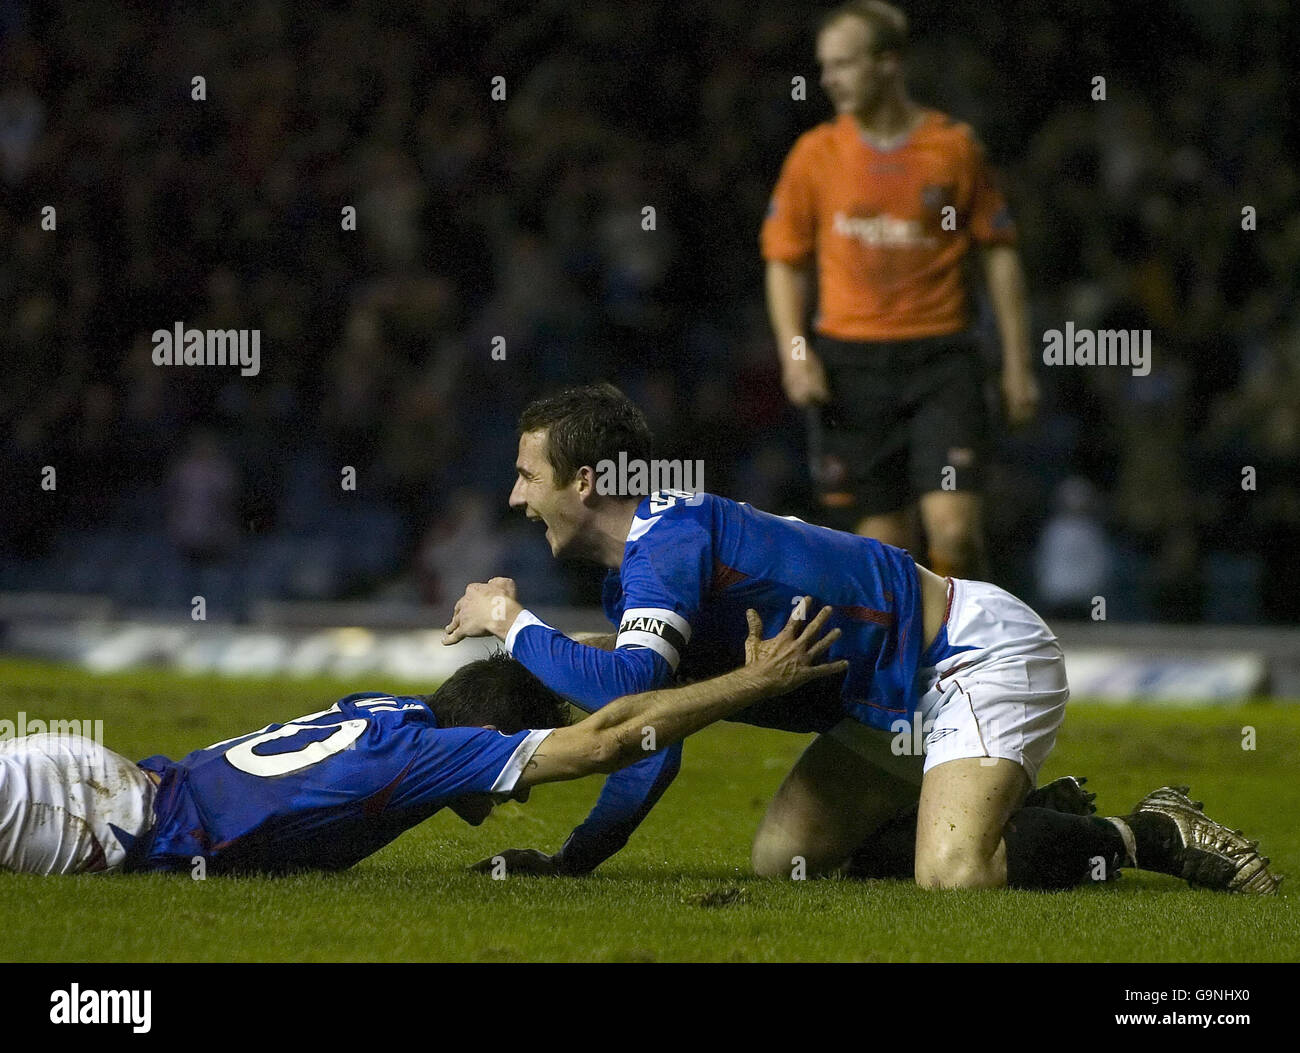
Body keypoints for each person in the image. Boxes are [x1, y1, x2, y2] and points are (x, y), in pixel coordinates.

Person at [443, 383, 1278, 894]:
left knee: (953, 875)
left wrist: (509, 621)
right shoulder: (644, 566)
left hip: (967, 655)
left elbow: (624, 696)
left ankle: (1147, 831)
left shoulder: (667, 545)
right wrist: (573, 862)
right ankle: (1003, 808)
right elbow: (652, 733)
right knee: (787, 859)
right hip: (888, 703)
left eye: (526, 475)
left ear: (586, 481)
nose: (516, 496)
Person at [0, 605, 845, 875]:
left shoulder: (391, 710)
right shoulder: (432, 755)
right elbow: (603, 744)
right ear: (489, 736)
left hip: (102, 780)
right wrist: (751, 683)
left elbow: (564, 689)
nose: (516, 792)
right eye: (517, 763)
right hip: (107, 819)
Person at [761, 0, 1037, 577]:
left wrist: (1017, 364)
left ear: (888, 63)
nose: (828, 79)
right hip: (851, 368)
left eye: (844, 64)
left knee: (955, 533)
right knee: (887, 556)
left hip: (942, 362)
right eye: (824, 66)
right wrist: (795, 352)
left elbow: (999, 252)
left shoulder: (953, 147)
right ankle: (920, 638)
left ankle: (973, 630)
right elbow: (785, 262)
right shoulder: (815, 155)